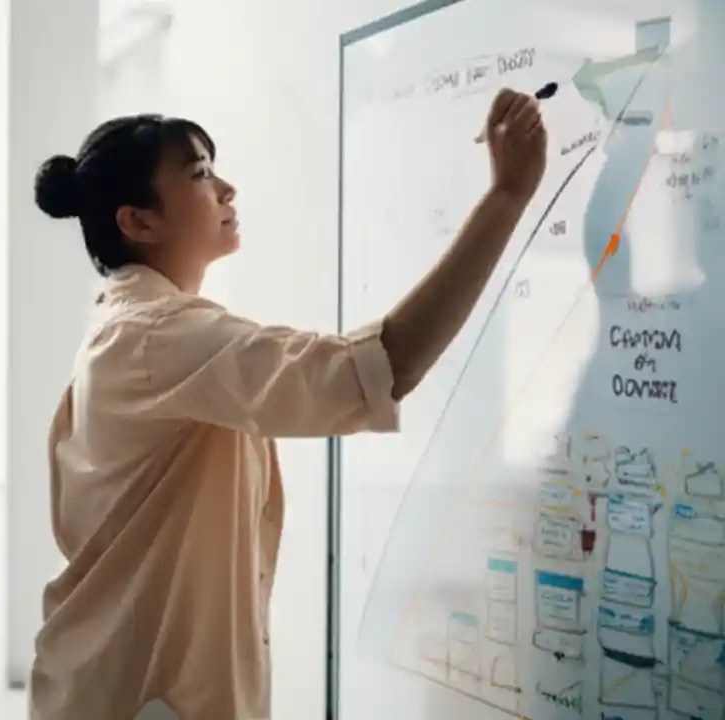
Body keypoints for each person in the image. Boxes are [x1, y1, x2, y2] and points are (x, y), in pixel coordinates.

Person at [28, 88, 548, 720]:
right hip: (136, 690)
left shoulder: (131, 326)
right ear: (138, 222)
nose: (227, 189)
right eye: (199, 174)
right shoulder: (155, 337)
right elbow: (376, 370)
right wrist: (507, 197)